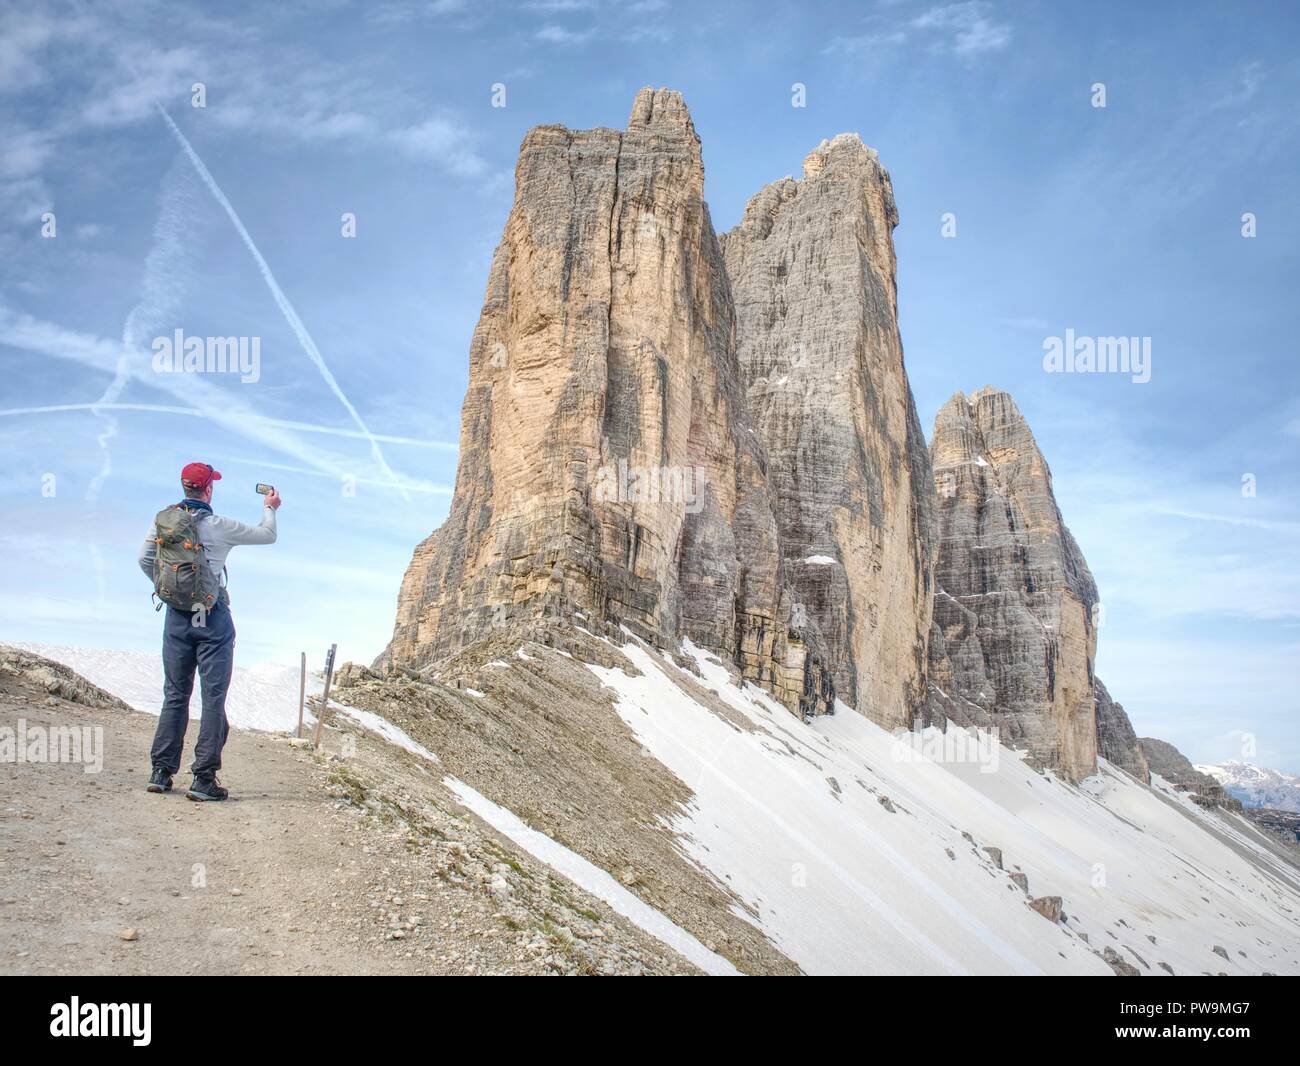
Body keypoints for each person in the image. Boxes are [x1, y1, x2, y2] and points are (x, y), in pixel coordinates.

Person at [137, 462, 281, 801]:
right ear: (209, 489)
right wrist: (269, 509)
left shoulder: (162, 521)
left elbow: (144, 560)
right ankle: (203, 778)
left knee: (175, 694)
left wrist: (169, 591)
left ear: (184, 487)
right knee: (212, 697)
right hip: (211, 618)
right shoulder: (219, 526)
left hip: (176, 618)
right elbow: (268, 535)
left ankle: (161, 772)